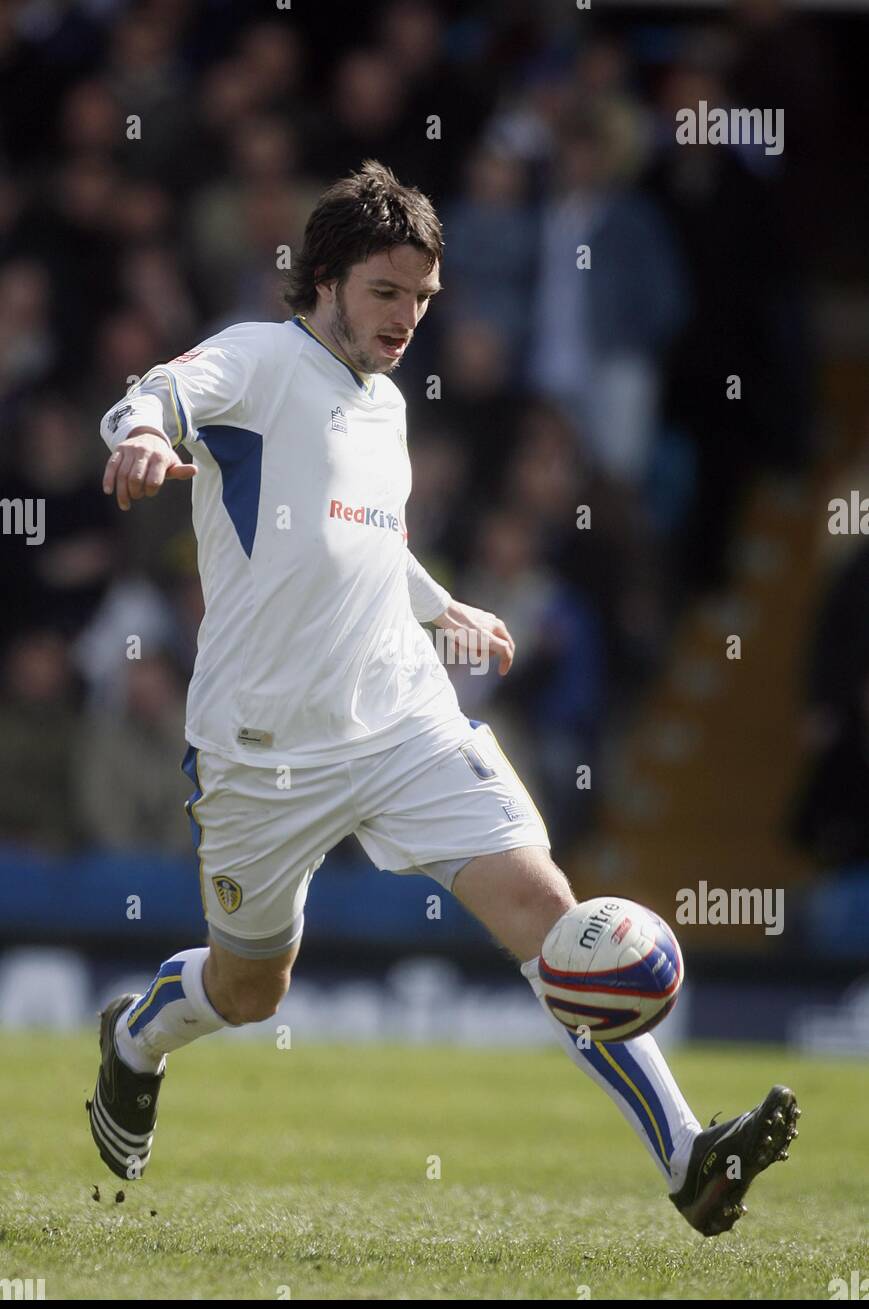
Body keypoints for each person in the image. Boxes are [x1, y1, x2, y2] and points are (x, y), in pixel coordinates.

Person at [91, 160, 798, 1234]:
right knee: (251, 992)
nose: (406, 319)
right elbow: (158, 392)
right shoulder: (259, 358)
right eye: (385, 293)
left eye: (421, 300)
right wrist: (139, 435)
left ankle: (689, 1157)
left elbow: (367, 537)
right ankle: (136, 1038)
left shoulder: (385, 406)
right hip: (262, 746)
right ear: (323, 277)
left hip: (406, 719)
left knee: (552, 920)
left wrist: (438, 605)